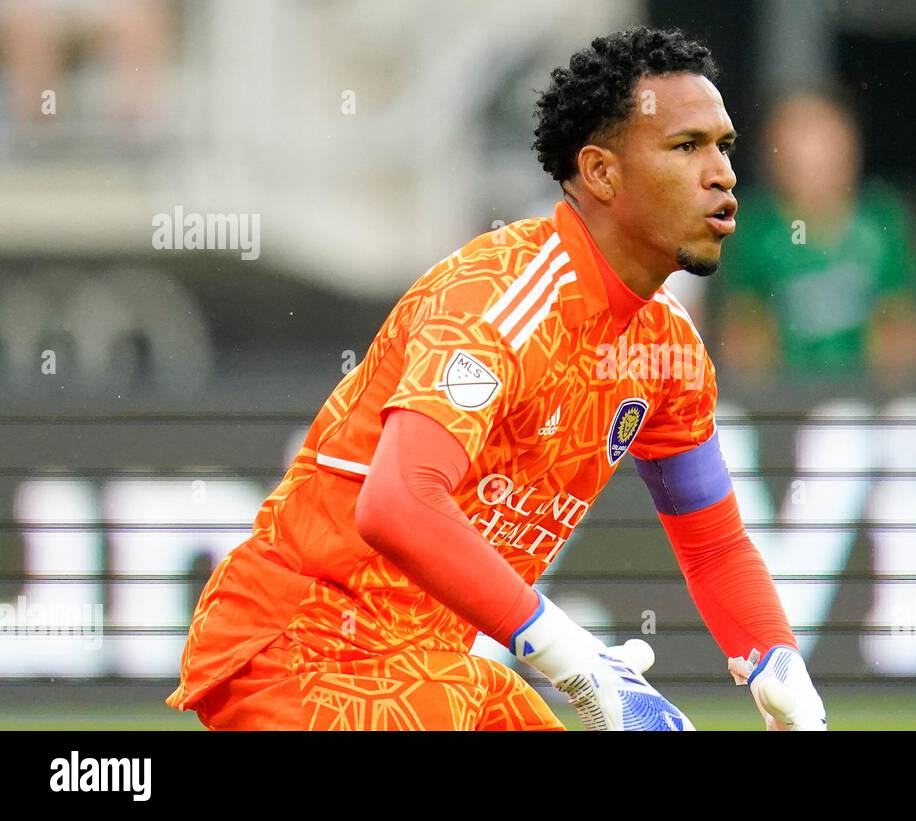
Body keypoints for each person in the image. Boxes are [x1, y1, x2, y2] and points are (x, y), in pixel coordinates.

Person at [165, 26, 825, 731]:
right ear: (601, 172)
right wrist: (580, 662)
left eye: (722, 145)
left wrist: (780, 664)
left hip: (433, 665)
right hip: (301, 652)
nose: (721, 172)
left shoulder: (669, 350)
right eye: (686, 146)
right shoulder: (502, 300)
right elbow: (397, 502)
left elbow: (714, 544)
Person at [714, 89, 916, 393]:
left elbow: (902, 323)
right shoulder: (754, 229)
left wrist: (877, 391)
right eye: (799, 141)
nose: (814, 157)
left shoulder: (881, 219)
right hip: (785, 399)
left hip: (866, 402)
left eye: (826, 141)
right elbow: (742, 334)